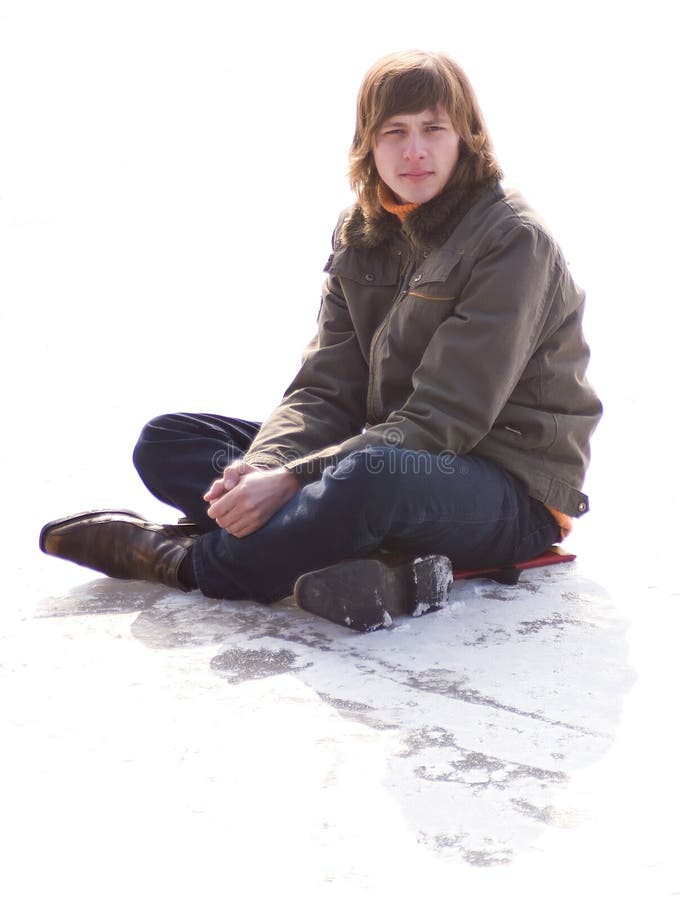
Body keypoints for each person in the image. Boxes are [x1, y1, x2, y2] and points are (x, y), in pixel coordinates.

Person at [40, 50, 602, 631]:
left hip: (506, 486)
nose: (414, 151)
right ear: (368, 143)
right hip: (385, 457)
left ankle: (191, 563)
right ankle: (359, 556)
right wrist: (262, 468)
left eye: (434, 129)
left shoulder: (512, 241)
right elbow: (325, 390)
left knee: (368, 480)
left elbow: (443, 423)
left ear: (467, 137)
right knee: (170, 440)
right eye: (395, 132)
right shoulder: (363, 232)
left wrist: (293, 480)